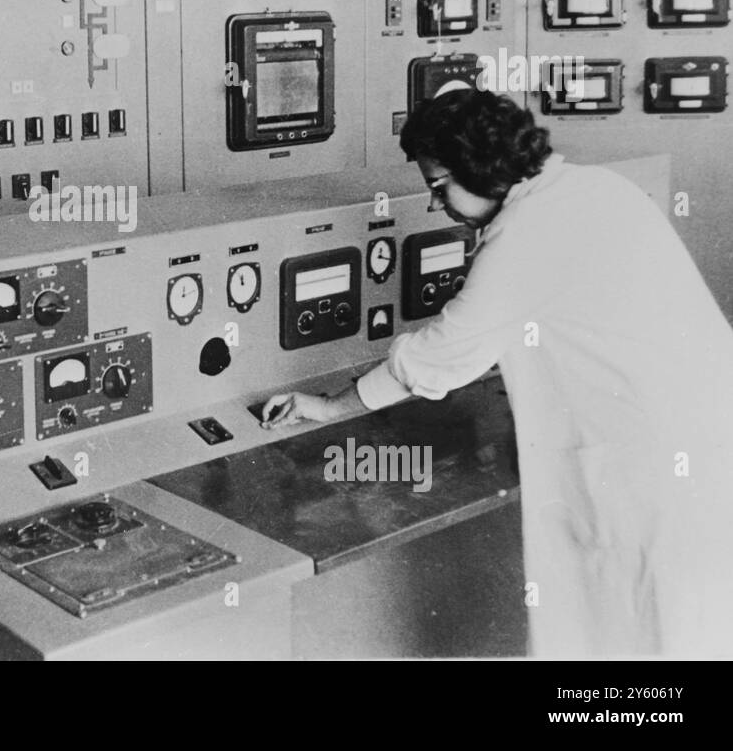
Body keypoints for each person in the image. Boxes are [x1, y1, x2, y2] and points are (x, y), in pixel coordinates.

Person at [262, 88, 733, 658]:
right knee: (664, 631)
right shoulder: (594, 187)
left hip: (645, 470)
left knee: (632, 634)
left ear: (480, 167)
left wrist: (331, 406)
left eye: (439, 187)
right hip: (700, 443)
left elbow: (443, 351)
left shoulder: (527, 230)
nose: (437, 205)